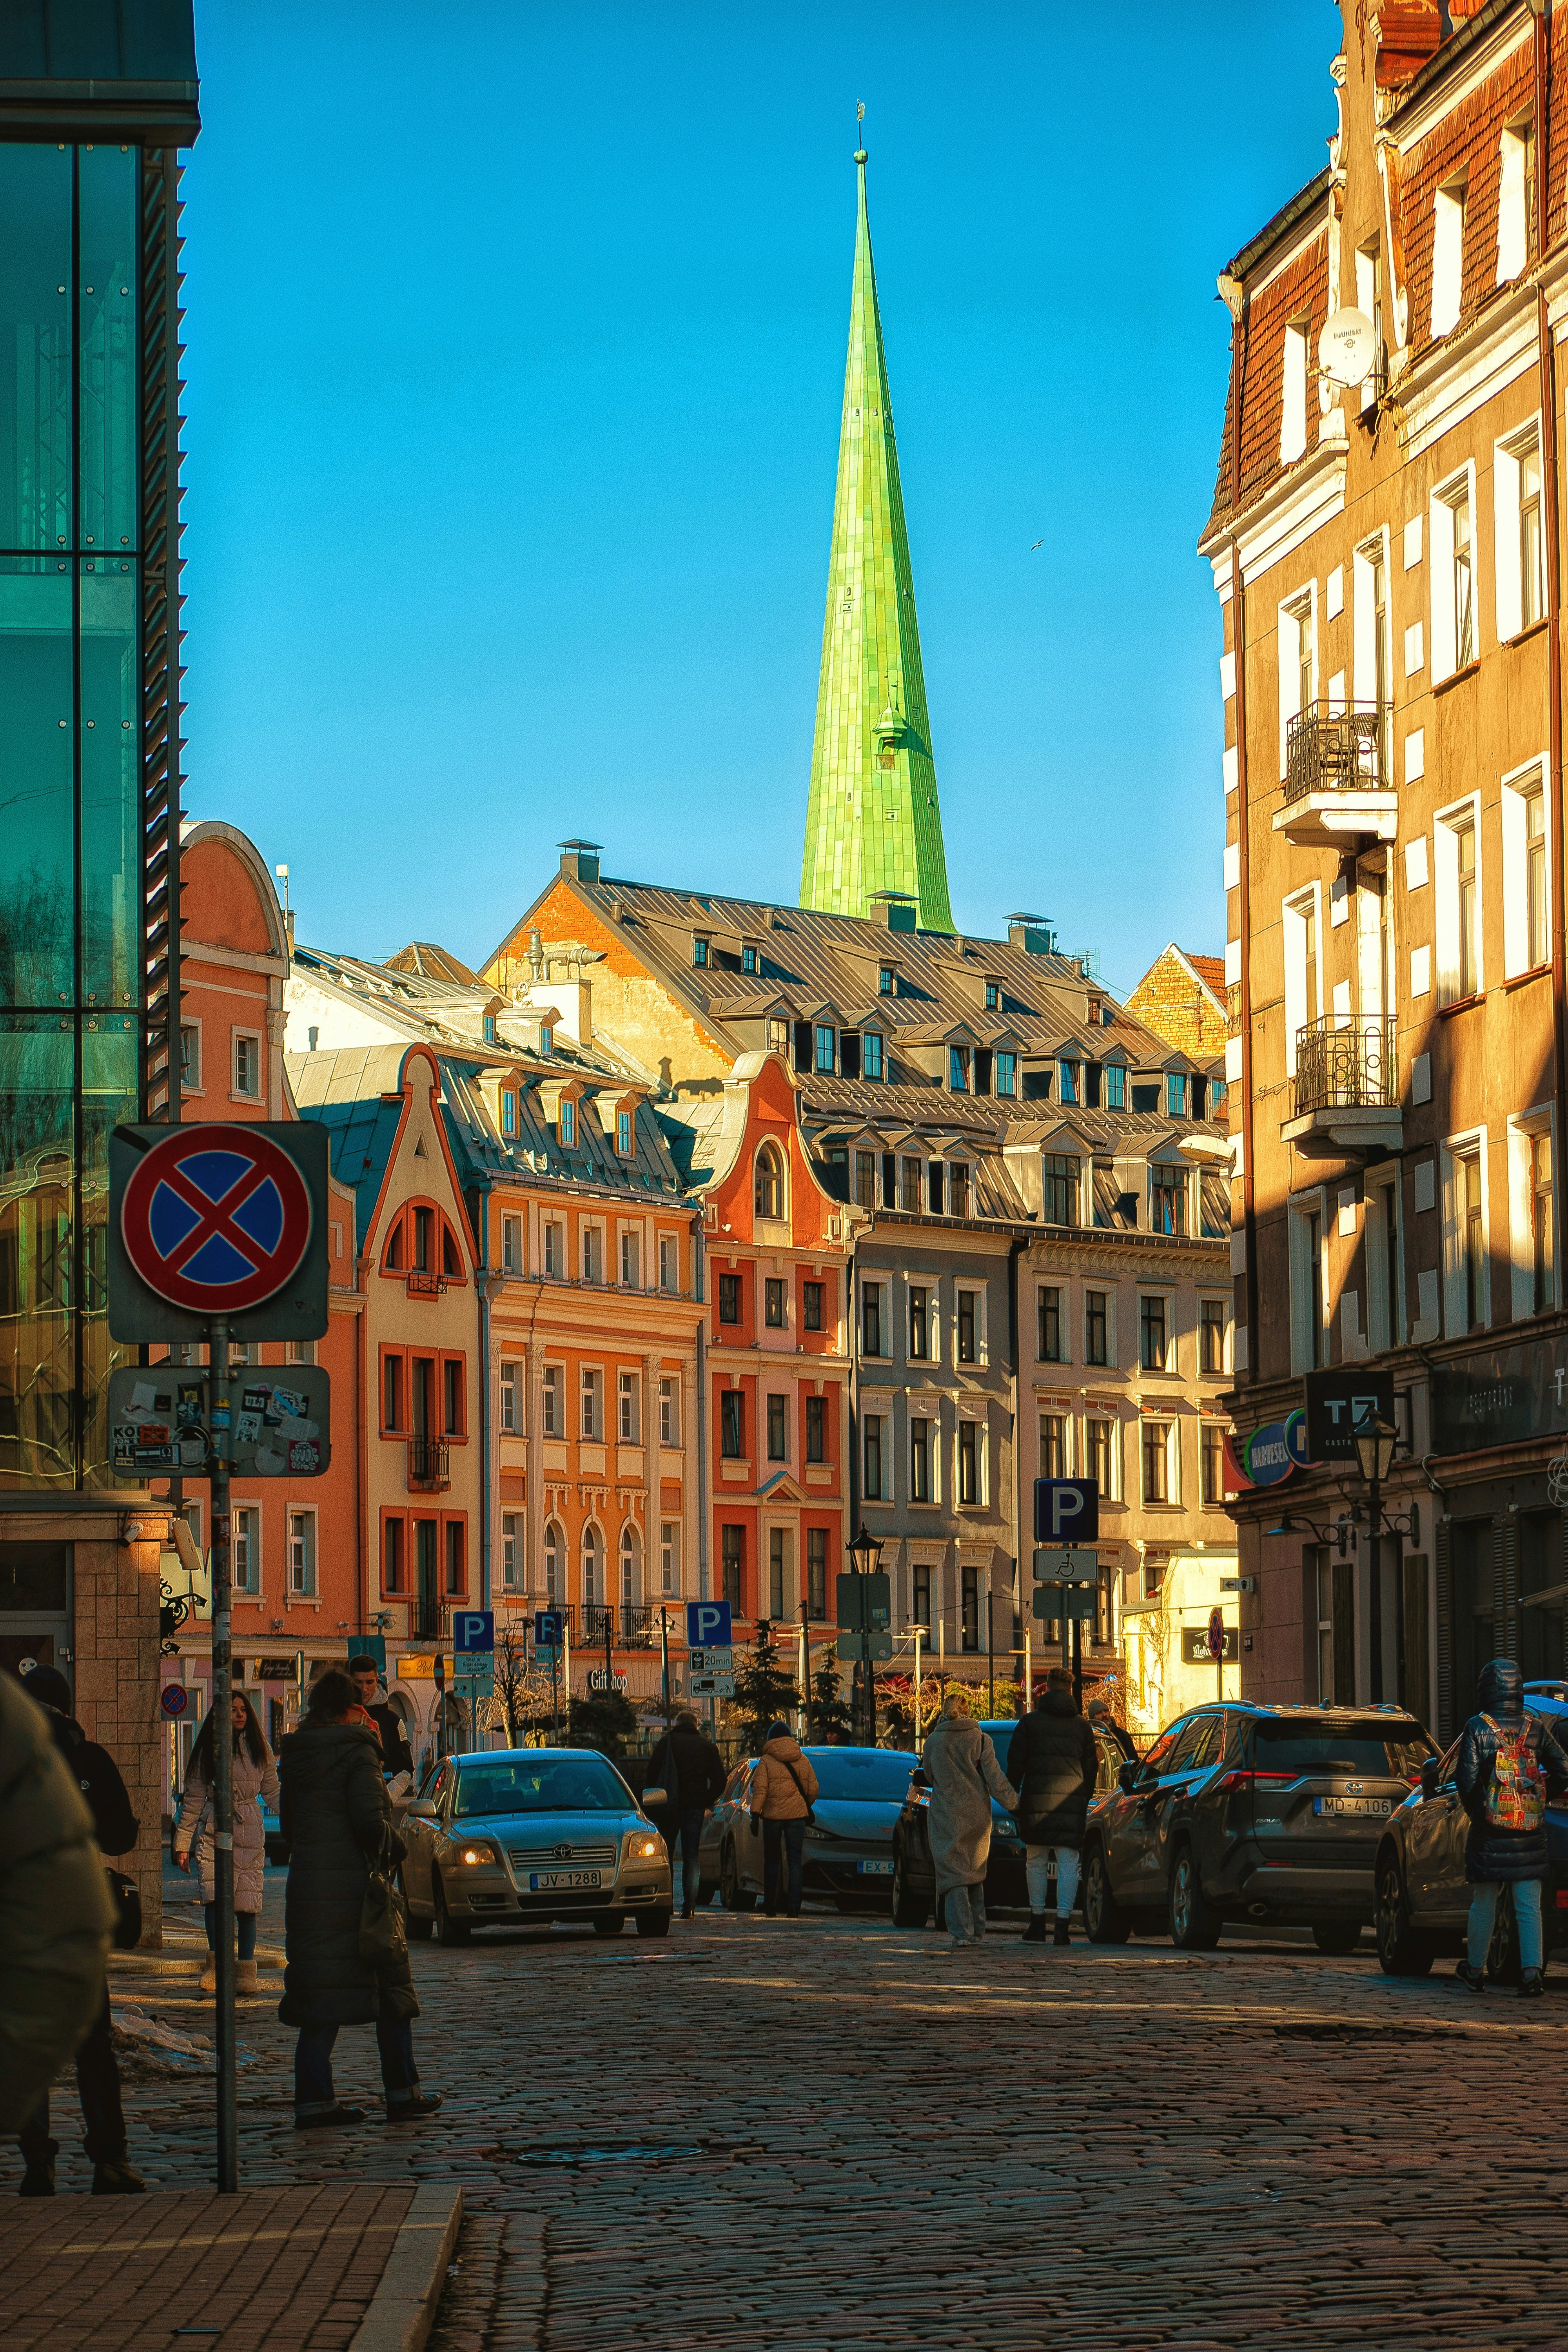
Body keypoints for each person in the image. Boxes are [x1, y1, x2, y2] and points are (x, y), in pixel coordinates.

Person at [278, 1665, 440, 2126]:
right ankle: (402, 2091)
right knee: (391, 1987)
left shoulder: (298, 1755)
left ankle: (314, 2100)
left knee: (319, 1995)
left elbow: (289, 1829)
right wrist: (397, 1848)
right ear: (350, 1708)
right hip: (359, 1893)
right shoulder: (358, 1750)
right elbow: (372, 1823)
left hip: (309, 1891)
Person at [0, 1675, 117, 2179]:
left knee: (25, 2034)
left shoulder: (13, 1752)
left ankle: (37, 2162)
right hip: (72, 1926)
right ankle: (110, 2158)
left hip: (14, 1925)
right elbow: (121, 1833)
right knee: (95, 2047)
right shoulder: (88, 1757)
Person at [1454, 1656, 1568, 1997]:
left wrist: (1482, 1814)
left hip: (1490, 1830)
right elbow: (1563, 1769)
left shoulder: (1477, 1727)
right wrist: (1541, 1799)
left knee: (1485, 1902)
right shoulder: (1536, 1727)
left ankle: (1475, 1970)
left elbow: (1466, 1781)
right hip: (1530, 1829)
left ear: (1487, 1689)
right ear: (1518, 1689)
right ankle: (1532, 1975)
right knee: (1529, 1906)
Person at [172, 1688, 278, 1997]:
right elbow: (194, 1798)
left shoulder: (260, 1747)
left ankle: (245, 1972)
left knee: (247, 1903)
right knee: (214, 1898)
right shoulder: (209, 1748)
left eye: (243, 1709)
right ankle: (217, 1968)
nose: (239, 1715)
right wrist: (183, 1843)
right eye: (233, 1710)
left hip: (249, 1829)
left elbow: (273, 1791)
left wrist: (300, 1817)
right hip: (214, 1828)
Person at [920, 1690, 1018, 1951]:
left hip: (946, 1812)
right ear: (967, 1711)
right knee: (974, 1870)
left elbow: (929, 1776)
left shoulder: (933, 1741)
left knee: (954, 1872)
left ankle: (961, 1931)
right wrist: (1014, 1804)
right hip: (977, 1812)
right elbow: (995, 1778)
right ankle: (978, 1927)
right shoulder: (981, 1739)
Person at [1007, 1667, 1099, 1946]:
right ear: (1070, 1690)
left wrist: (1013, 1799)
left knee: (1035, 1861)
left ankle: (1037, 1922)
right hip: (1071, 1802)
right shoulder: (1082, 1726)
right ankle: (1062, 1926)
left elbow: (1016, 1764)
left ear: (1046, 1687)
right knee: (1069, 1864)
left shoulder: (1029, 1722)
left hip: (1036, 1801)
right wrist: (1083, 1797)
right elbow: (1091, 1767)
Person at [644, 1709, 726, 1920]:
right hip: (695, 1807)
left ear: (677, 1724)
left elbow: (652, 1774)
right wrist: (705, 1800)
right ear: (696, 1725)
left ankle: (667, 1902)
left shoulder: (666, 1744)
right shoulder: (706, 1747)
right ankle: (690, 1906)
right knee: (692, 1855)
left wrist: (655, 1801)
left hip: (669, 1806)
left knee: (667, 1854)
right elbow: (720, 1781)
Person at [748, 1719, 820, 1919]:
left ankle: (771, 1906)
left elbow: (760, 1790)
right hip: (797, 1818)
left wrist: (756, 1814)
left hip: (772, 1818)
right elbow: (813, 1789)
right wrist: (802, 1804)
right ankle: (794, 1908)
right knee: (795, 1861)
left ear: (771, 1739)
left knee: (771, 1861)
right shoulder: (803, 1760)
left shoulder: (766, 1761)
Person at [348, 1655, 414, 1793]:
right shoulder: (338, 1716)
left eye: (369, 1682)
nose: (364, 1689)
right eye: (359, 1682)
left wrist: (387, 1798)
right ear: (350, 1681)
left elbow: (406, 1770)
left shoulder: (393, 1721)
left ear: (377, 1680)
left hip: (380, 1795)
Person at [1085, 1693, 1136, 1761]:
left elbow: (1134, 1760)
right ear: (1092, 1718)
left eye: (1106, 1711)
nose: (1104, 1715)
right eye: (1099, 1713)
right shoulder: (1089, 1738)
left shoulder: (1122, 1735)